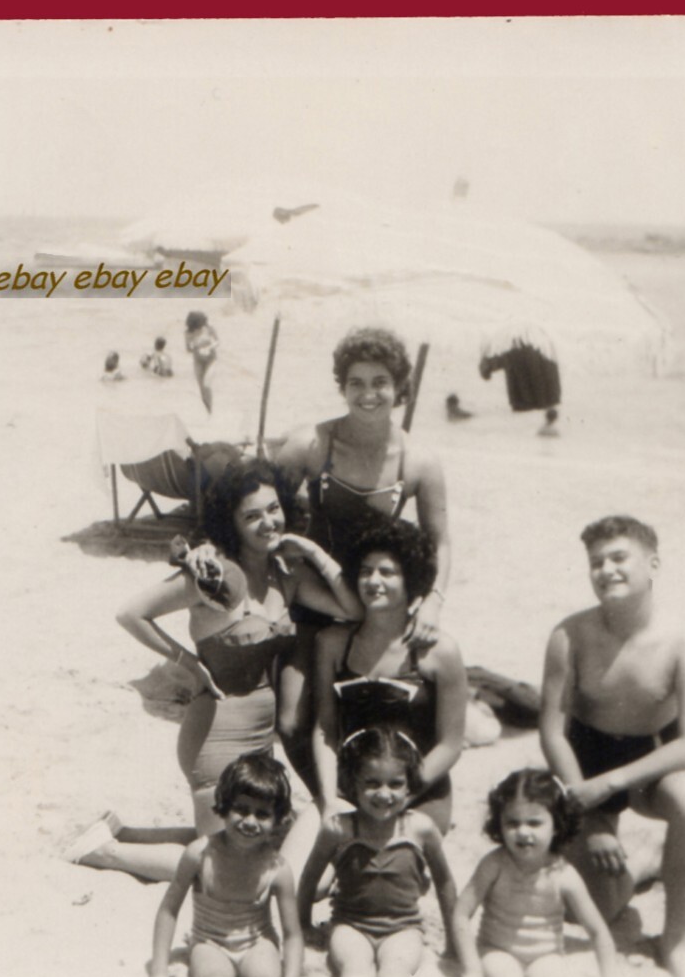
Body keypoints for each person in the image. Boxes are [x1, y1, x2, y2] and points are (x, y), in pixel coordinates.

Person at [64, 458, 359, 882]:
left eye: (274, 509)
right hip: (215, 739)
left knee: (250, 842)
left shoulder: (285, 576)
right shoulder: (216, 574)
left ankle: (125, 831)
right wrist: (190, 664)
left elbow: (351, 608)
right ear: (232, 524)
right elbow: (131, 613)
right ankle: (105, 851)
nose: (268, 523)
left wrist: (312, 550)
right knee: (226, 873)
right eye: (252, 516)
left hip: (260, 739)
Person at [269, 328, 453, 796]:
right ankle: (330, 803)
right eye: (356, 382)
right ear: (341, 385)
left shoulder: (419, 461)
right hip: (313, 600)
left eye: (380, 382)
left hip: (377, 605)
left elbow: (440, 542)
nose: (368, 394)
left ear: (400, 388)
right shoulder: (311, 444)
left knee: (390, 717)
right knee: (291, 723)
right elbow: (255, 500)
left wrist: (432, 602)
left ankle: (378, 797)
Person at [539, 516, 685, 977]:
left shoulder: (681, 640)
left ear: (652, 563)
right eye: (597, 562)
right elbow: (552, 732)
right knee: (592, 906)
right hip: (586, 760)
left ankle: (674, 940)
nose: (607, 570)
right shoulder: (570, 635)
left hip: (649, 763)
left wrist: (614, 784)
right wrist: (588, 813)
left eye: (620, 558)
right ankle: (643, 866)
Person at [309, 519, 470, 834]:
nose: (373, 581)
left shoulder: (440, 652)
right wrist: (330, 799)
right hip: (354, 788)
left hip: (420, 789)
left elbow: (451, 744)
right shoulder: (332, 643)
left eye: (387, 572)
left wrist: (396, 793)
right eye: (366, 571)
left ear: (411, 578)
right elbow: (325, 730)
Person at [296, 725, 457, 977]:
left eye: (395, 784)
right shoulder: (339, 829)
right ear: (352, 784)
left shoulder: (420, 829)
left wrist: (453, 940)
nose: (384, 794)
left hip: (403, 929)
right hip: (351, 927)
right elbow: (310, 876)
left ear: (410, 785)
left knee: (394, 976)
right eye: (371, 783)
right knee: (355, 973)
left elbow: (445, 884)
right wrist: (303, 924)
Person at [148, 751, 304, 977]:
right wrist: (158, 974)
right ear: (224, 806)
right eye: (241, 809)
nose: (250, 821)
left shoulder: (277, 867)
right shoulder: (200, 854)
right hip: (210, 943)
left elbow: (292, 933)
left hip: (257, 944)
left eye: (262, 814)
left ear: (277, 819)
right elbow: (169, 910)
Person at [452, 769, 617, 977]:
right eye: (512, 823)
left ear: (557, 825)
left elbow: (597, 931)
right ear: (499, 824)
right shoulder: (494, 865)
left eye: (534, 823)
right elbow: (461, 914)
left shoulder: (563, 874)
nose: (522, 831)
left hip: (546, 956)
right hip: (497, 950)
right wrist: (471, 970)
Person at [184, 311, 219, 413]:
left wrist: (209, 347)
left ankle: (211, 410)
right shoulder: (188, 333)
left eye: (202, 324)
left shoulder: (209, 329)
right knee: (202, 389)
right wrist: (194, 346)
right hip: (198, 361)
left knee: (207, 384)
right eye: (198, 325)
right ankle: (208, 411)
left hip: (211, 360)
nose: (200, 327)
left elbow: (217, 341)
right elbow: (188, 349)